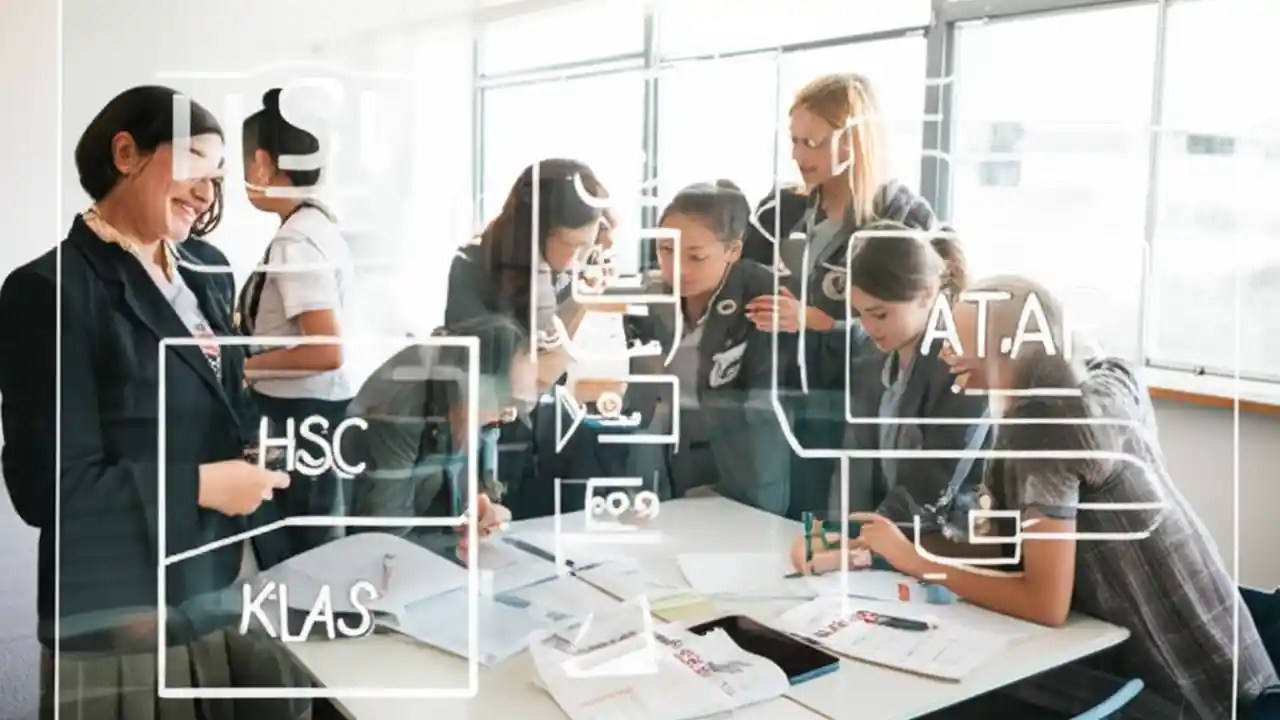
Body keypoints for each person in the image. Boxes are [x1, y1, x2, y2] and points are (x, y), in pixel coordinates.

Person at [0, 85, 308, 719]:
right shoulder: (48, 291)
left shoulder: (207, 266)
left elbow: (226, 395)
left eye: (217, 178)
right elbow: (46, 488)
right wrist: (199, 485)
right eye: (195, 165)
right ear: (125, 153)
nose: (207, 193)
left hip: (221, 574)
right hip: (123, 605)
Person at [848, 275, 1278, 718]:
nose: (943, 352)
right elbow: (1005, 546)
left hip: (1193, 694)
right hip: (1239, 661)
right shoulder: (1097, 386)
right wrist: (893, 545)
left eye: (960, 340)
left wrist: (918, 562)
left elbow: (1045, 604)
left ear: (1008, 348)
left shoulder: (1043, 433)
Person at [745, 73, 942, 521]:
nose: (798, 155)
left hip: (858, 410)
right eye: (793, 141)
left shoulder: (905, 217)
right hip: (777, 406)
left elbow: (922, 324)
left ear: (854, 142)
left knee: (842, 536)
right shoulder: (777, 210)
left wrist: (819, 322)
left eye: (811, 143)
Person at [445, 159, 620, 519]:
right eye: (570, 243)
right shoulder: (472, 266)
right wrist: (580, 303)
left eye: (586, 245)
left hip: (543, 432)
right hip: (484, 432)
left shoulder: (571, 272)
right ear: (533, 231)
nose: (577, 257)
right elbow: (523, 378)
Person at [235, 88, 358, 564]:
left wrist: (242, 369)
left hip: (294, 417)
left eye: (246, 164)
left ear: (263, 163)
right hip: (318, 414)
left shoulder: (296, 240)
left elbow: (326, 350)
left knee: (291, 553)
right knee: (312, 547)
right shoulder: (321, 226)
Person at [625, 180, 793, 515]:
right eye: (666, 250)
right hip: (670, 451)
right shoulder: (654, 296)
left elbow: (764, 410)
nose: (678, 268)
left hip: (742, 462)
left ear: (733, 250)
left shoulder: (764, 298)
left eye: (696, 256)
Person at [832, 221, 989, 531]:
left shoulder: (961, 363)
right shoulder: (870, 362)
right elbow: (853, 466)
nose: (868, 327)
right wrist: (838, 534)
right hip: (889, 539)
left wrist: (866, 541)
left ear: (927, 294)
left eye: (879, 314)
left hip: (950, 542)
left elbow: (934, 481)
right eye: (859, 313)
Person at [345, 316, 534, 560]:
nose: (509, 417)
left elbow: (467, 469)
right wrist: (457, 544)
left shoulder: (461, 388)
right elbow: (384, 541)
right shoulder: (400, 409)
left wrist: (478, 505)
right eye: (506, 402)